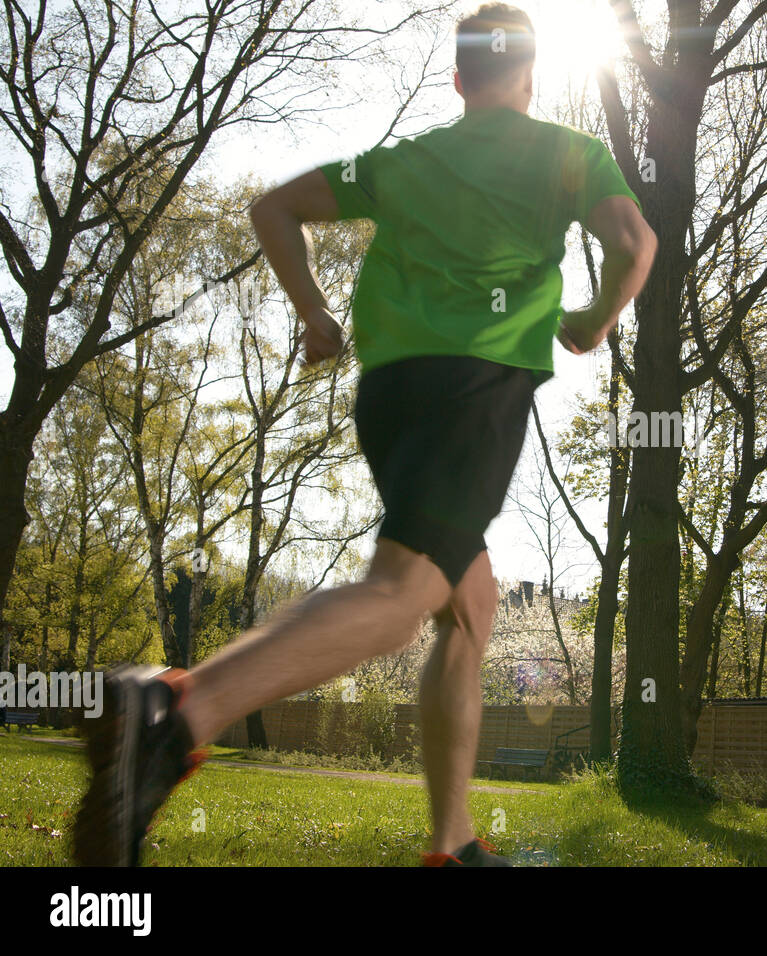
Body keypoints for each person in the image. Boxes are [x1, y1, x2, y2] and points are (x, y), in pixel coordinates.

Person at [74, 2, 656, 868]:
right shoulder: (570, 153)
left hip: (390, 397)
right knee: (400, 600)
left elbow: (274, 209)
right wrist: (596, 320)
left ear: (460, 81)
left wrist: (314, 314)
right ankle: (172, 713)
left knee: (472, 601)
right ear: (531, 79)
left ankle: (452, 842)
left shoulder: (404, 160)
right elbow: (634, 241)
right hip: (476, 392)